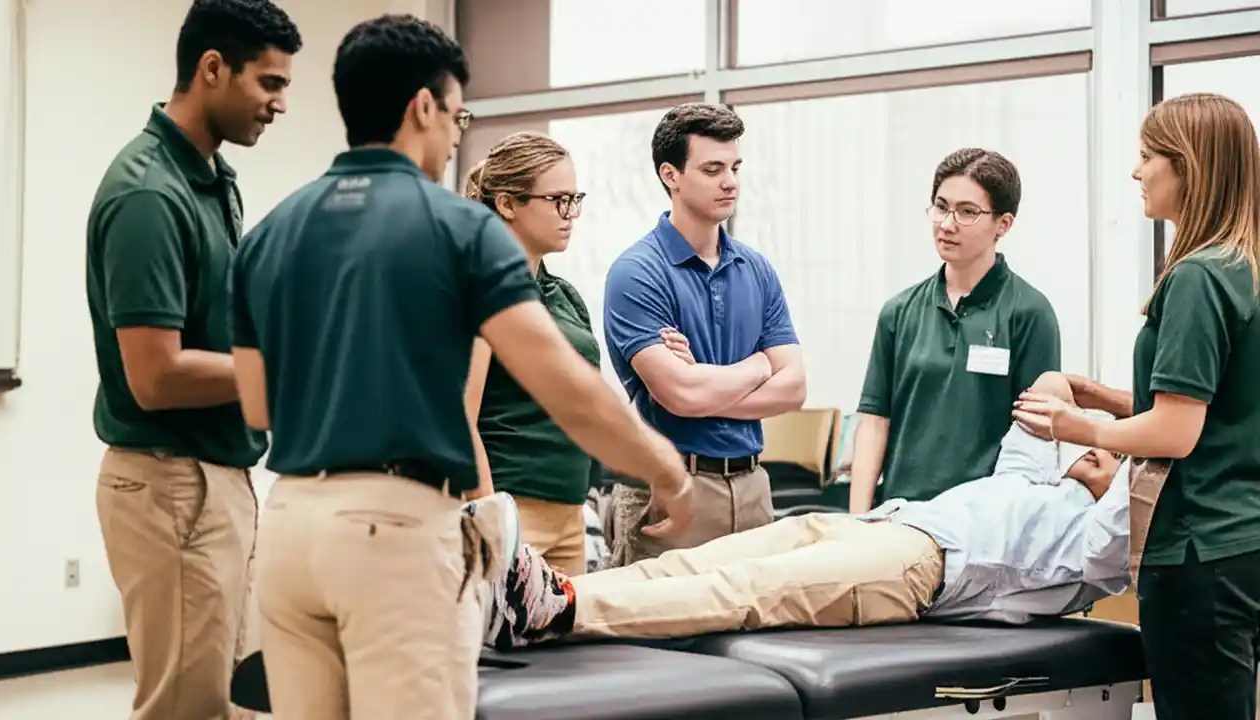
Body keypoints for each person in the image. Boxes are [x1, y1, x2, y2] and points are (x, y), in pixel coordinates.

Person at [228, 15, 693, 719]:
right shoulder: (459, 228)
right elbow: (567, 388)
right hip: (395, 533)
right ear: (422, 107)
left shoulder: (270, 233)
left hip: (290, 527)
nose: (454, 137)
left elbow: (258, 407)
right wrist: (665, 470)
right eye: (456, 116)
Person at [484, 371, 1130, 649]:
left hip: (920, 568)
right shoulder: (1029, 479)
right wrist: (1105, 405)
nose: (1088, 451)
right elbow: (1054, 386)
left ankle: (562, 610)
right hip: (879, 524)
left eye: (1107, 460)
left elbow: (1152, 471)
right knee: (688, 563)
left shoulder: (1090, 541)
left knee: (743, 589)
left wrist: (1114, 439)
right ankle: (538, 591)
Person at [83, 1, 301, 717]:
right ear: (212, 68)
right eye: (268, 83)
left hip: (218, 477)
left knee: (231, 701)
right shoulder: (150, 191)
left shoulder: (212, 178)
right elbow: (155, 376)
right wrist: (290, 368)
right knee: (187, 708)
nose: (280, 105)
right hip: (172, 487)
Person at [1013, 92, 1260, 720]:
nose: (1136, 171)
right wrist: (1100, 395)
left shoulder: (1199, 277)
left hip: (1197, 550)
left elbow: (1176, 431)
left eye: (1148, 156)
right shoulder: (1244, 268)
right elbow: (1215, 407)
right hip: (1244, 542)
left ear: (1189, 168)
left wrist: (1076, 424)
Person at [602, 102, 806, 566]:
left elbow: (793, 388)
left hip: (753, 489)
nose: (730, 181)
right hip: (673, 490)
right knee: (659, 636)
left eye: (735, 167)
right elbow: (680, 396)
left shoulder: (756, 269)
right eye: (712, 169)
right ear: (670, 175)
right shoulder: (636, 272)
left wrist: (705, 382)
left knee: (753, 631)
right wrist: (757, 367)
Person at [849, 148, 1061, 514]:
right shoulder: (899, 312)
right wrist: (858, 519)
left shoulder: (1029, 312)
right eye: (940, 206)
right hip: (899, 515)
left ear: (1004, 224)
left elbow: (1036, 437)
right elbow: (874, 421)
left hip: (984, 525)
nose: (947, 224)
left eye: (967, 212)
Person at [461, 131, 596, 576]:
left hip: (571, 511)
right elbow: (461, 418)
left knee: (574, 644)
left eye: (574, 199)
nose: (571, 214)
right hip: (514, 509)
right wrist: (488, 518)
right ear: (507, 204)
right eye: (558, 200)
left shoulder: (565, 296)